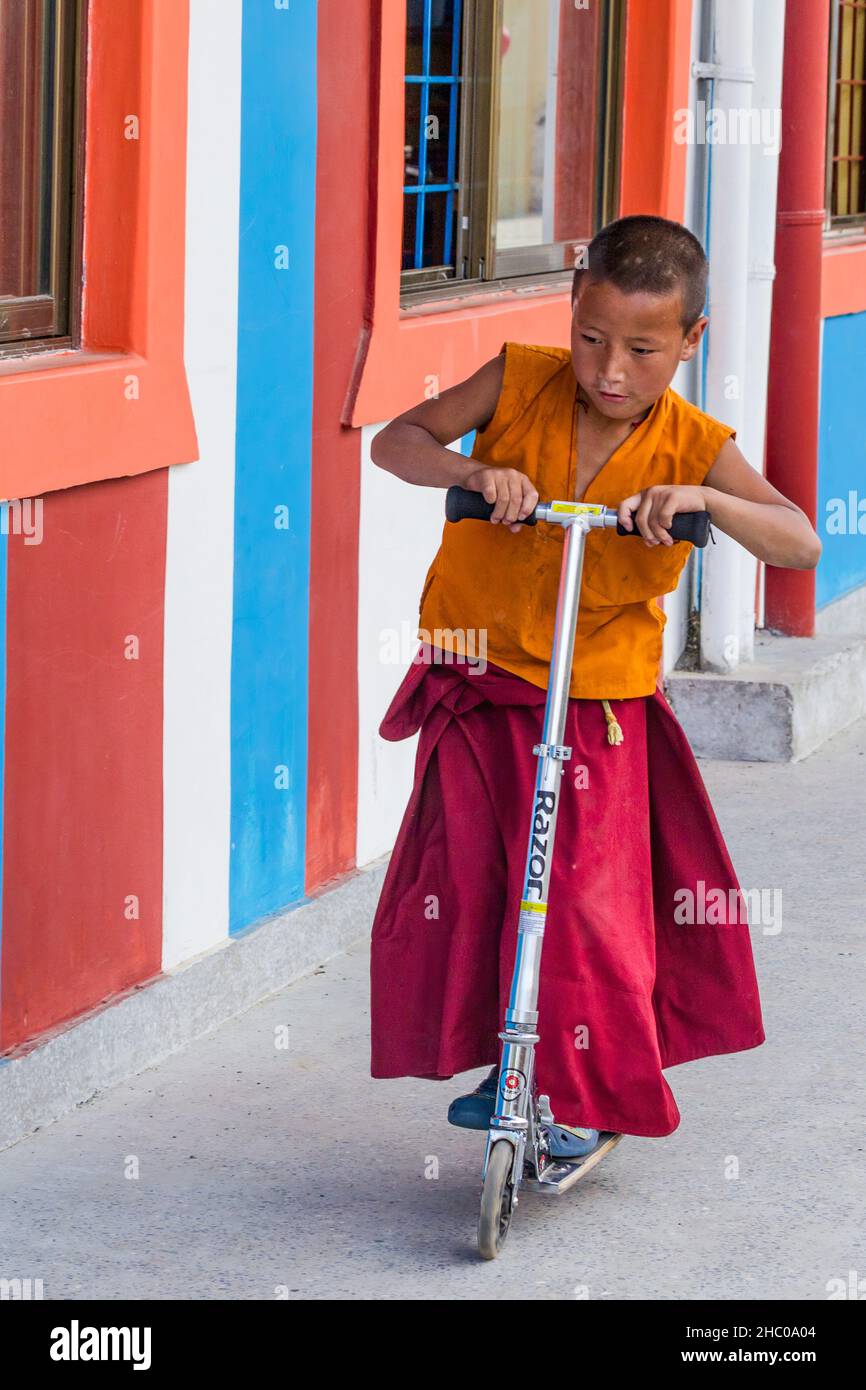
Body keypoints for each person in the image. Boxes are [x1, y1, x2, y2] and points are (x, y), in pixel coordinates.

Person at [368, 214, 821, 1161]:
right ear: (570, 309)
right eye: (592, 338)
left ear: (693, 341)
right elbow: (396, 443)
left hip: (599, 704)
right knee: (481, 882)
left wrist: (704, 501)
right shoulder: (519, 379)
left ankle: (586, 1083)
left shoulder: (694, 442)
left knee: (581, 904)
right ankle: (513, 1061)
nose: (611, 370)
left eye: (645, 350)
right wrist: (476, 469)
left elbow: (798, 539)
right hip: (480, 676)